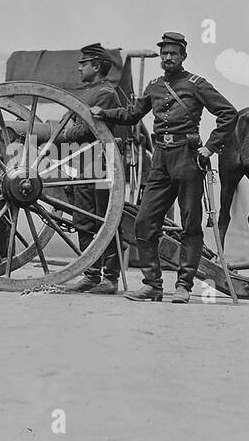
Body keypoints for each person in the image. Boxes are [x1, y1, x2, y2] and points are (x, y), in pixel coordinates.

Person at [90, 31, 238, 303]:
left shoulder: (197, 84)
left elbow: (229, 113)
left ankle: (183, 286)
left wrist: (211, 147)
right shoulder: (155, 85)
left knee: (190, 225)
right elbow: (132, 114)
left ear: (183, 56)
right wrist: (104, 114)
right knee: (145, 222)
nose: (168, 57)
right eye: (164, 53)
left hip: (188, 157)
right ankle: (152, 286)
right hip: (160, 159)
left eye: (173, 53)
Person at [62, 43, 123, 295]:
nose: (79, 67)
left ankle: (109, 278)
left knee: (104, 219)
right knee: (84, 220)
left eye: (84, 63)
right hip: (84, 163)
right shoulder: (90, 92)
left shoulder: (105, 94)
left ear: (96, 67)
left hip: (101, 163)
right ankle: (90, 274)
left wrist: (64, 133)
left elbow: (88, 131)